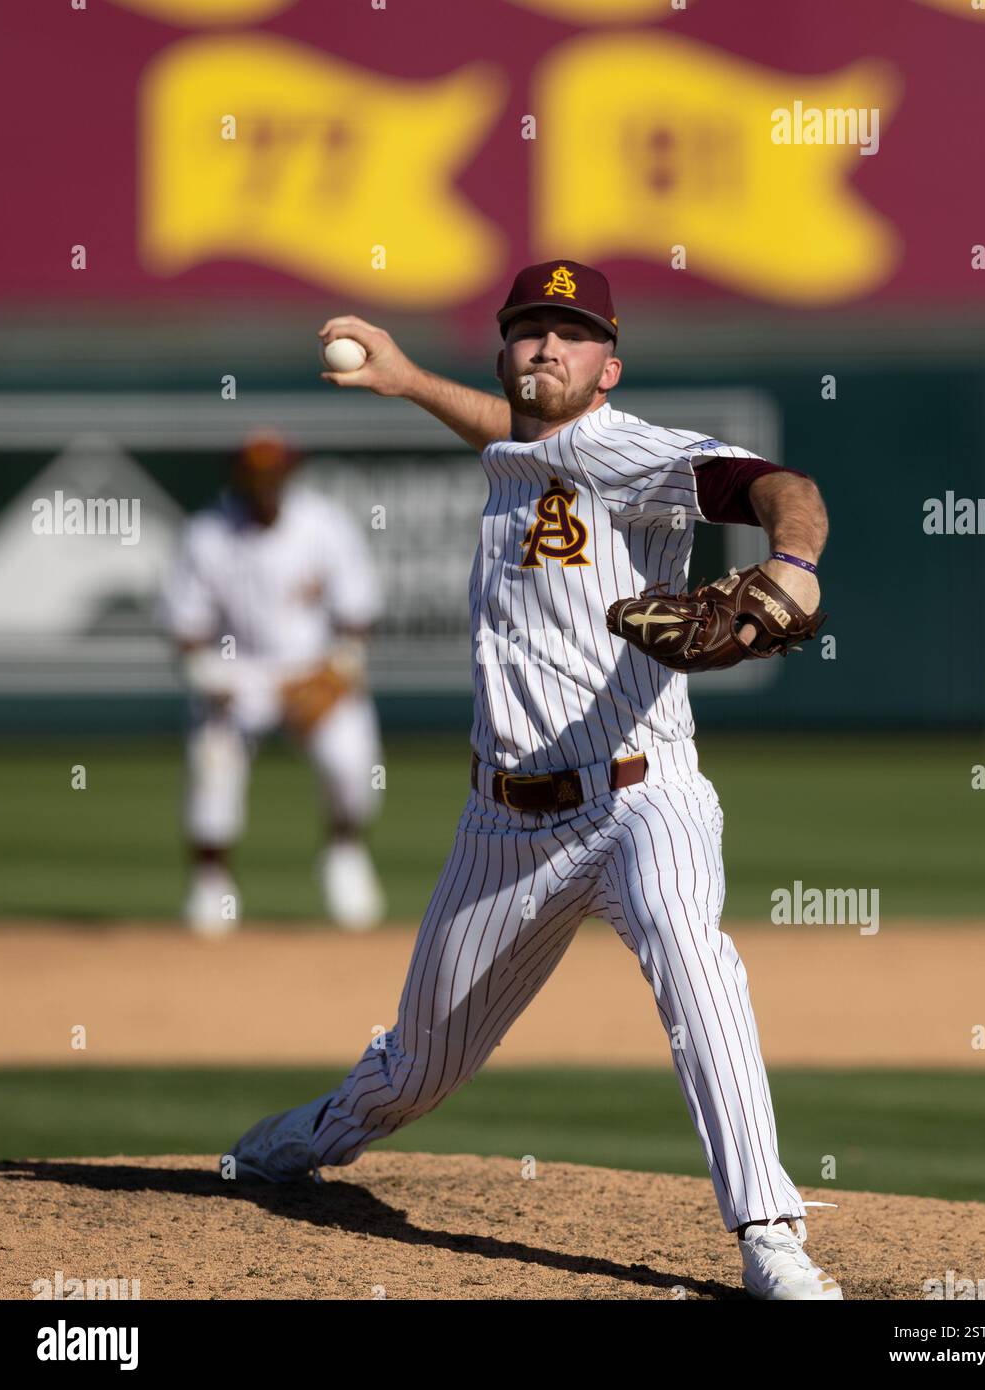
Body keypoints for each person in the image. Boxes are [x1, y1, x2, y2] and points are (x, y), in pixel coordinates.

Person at [227, 262, 841, 1299]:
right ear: (506, 353)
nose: (545, 348)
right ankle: (309, 1137)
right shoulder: (521, 444)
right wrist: (411, 379)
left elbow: (786, 488)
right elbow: (512, 436)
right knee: (418, 1068)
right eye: (526, 331)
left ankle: (769, 1231)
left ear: (609, 364)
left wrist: (792, 560)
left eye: (570, 333)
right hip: (502, 826)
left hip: (644, 792)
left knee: (689, 954)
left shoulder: (637, 449)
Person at [162, 430, 384, 935]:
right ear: (238, 476)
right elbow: (184, 630)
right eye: (256, 473)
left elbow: (359, 613)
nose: (266, 483)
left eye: (275, 473)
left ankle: (344, 856)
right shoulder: (206, 534)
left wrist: (341, 667)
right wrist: (206, 675)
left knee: (352, 762)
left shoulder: (324, 525)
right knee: (213, 767)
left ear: (290, 475)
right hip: (238, 674)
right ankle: (211, 883)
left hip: (312, 668)